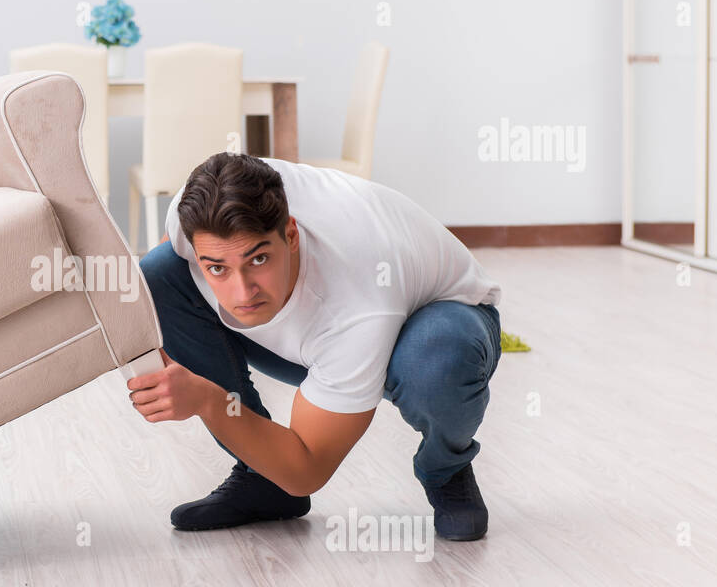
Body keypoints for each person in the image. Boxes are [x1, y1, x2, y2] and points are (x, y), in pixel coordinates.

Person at [127, 152, 502, 540]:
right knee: (157, 274)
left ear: (290, 235)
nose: (241, 292)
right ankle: (263, 482)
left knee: (438, 357)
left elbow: (307, 470)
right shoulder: (198, 208)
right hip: (332, 332)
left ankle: (446, 466)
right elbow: (172, 263)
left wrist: (209, 400)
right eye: (218, 268)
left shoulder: (359, 304)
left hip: (441, 322)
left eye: (258, 259)